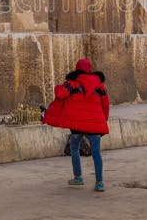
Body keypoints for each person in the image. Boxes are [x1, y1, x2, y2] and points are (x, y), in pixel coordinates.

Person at [43, 58, 110, 192]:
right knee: (96, 153)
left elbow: (60, 94)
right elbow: (105, 105)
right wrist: (102, 122)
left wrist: (59, 86)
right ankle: (99, 183)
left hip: (77, 124)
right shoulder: (100, 86)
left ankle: (78, 177)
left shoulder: (72, 83)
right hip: (94, 124)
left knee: (74, 147)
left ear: (77, 69)